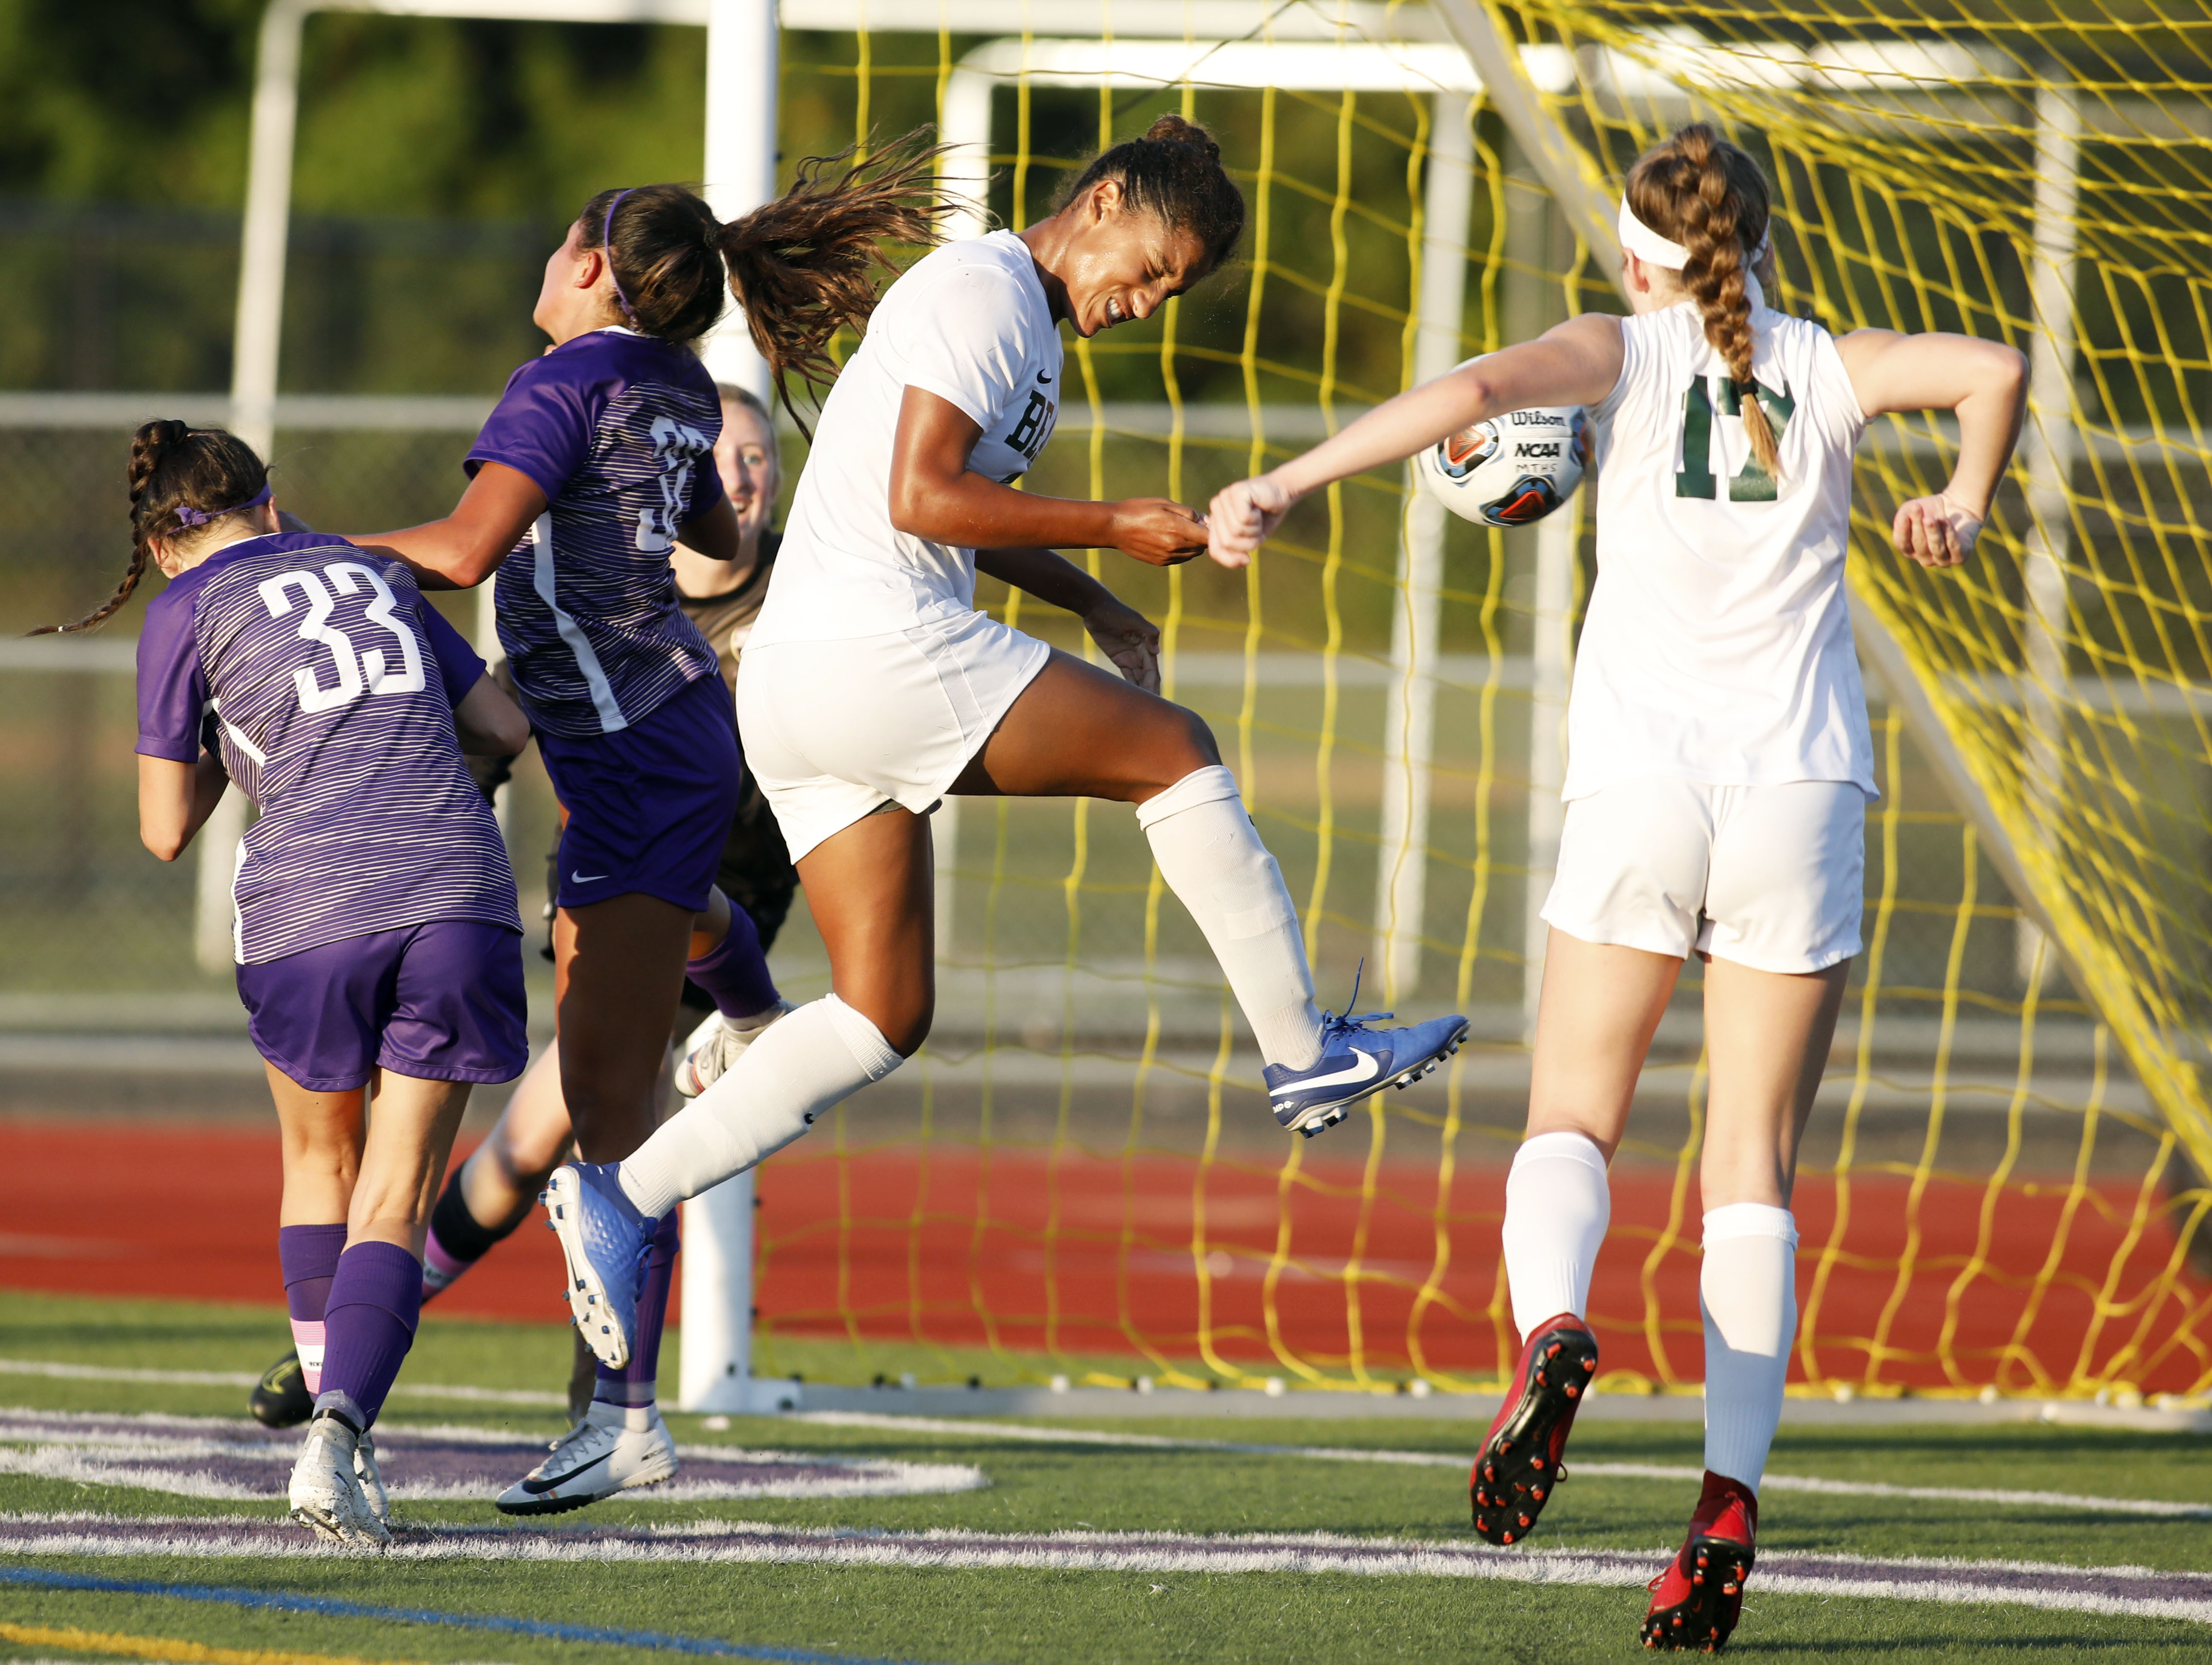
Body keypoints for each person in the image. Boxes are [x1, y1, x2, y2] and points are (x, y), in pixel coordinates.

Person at [1204, 123, 2028, 1652]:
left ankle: (1553, 1330)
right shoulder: (1830, 364)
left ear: (1631, 251)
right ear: (1761, 240)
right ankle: (1720, 1505)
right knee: (1750, 1166)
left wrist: (1292, 478)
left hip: (1641, 783)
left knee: (1570, 1121)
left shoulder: (1623, 348)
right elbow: (1990, 365)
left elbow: (1467, 398)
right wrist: (1963, 503)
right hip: (1800, 788)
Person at [536, 115, 1470, 1387]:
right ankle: (1304, 1055)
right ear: (1095, 206)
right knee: (1175, 752)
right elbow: (921, 498)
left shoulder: (1015, 318)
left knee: (883, 1009)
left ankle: (624, 1196)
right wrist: (1113, 527)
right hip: (872, 649)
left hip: (801, 684)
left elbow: (944, 507)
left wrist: (1086, 596)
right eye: (1147, 268)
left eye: (1170, 292)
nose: (1144, 303)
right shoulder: (982, 291)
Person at [329, 140, 956, 1514]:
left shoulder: (565, 379)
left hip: (624, 755)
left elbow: (461, 550)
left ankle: (626, 1421)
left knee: (608, 1124)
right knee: (631, 1047)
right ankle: (746, 1003)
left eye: (560, 245)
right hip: (658, 732)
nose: (543, 266)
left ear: (594, 268)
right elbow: (707, 538)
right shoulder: (672, 382)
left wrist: (300, 556)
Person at [245, 385, 801, 1437]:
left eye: (759, 458)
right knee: (557, 1134)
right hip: (601, 901)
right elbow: (492, 728)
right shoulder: (613, 604)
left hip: (717, 909)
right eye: (723, 457)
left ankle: (582, 1395)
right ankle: (562, 1388)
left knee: (572, 1128)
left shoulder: (799, 602)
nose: (742, 476)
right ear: (675, 481)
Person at [43, 421, 533, 1546]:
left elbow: (165, 830)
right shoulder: (365, 566)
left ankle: (328, 1429)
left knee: (323, 1161)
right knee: (400, 1194)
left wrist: (241, 736)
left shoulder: (184, 609)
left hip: (310, 905)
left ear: (165, 545)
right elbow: (501, 723)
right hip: (454, 886)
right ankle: (340, 1437)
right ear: (274, 501)